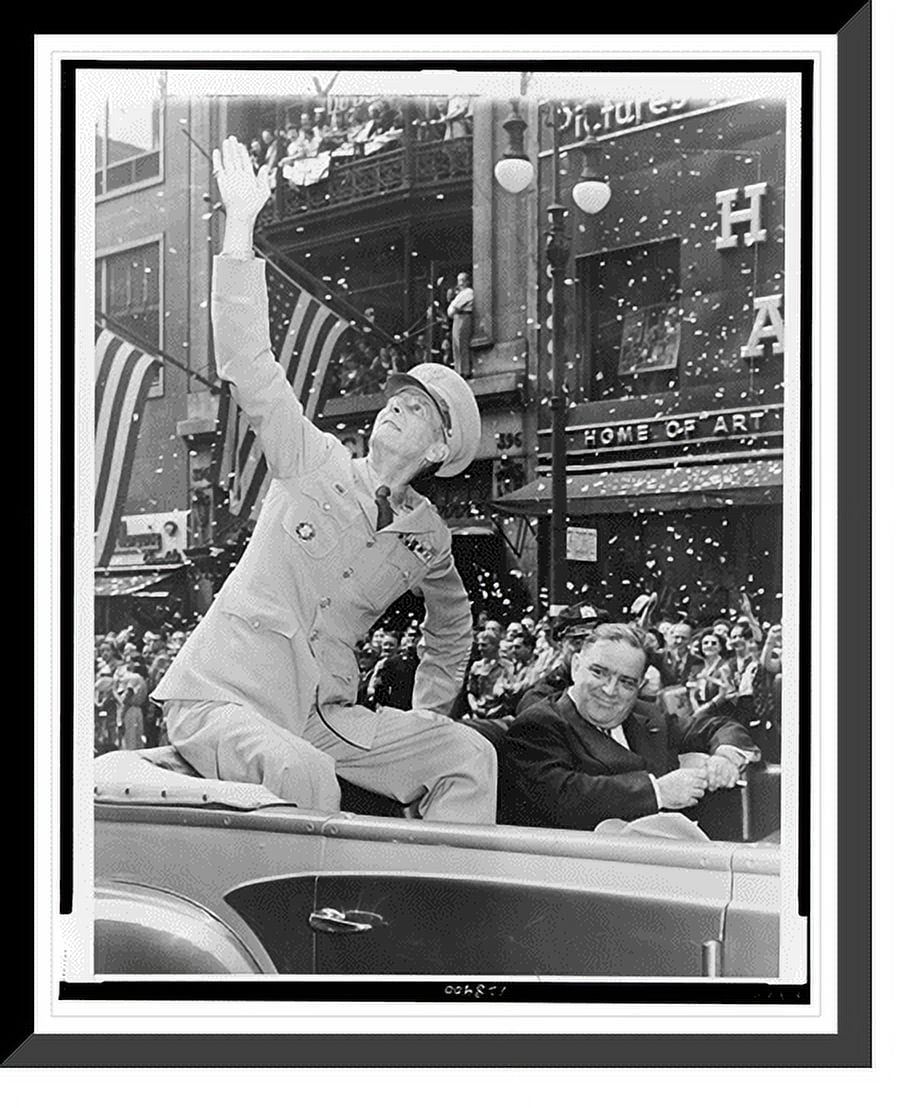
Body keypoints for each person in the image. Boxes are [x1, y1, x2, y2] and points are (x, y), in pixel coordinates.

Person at [151, 137, 494, 824]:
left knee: (468, 754)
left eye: (417, 410)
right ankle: (321, 927)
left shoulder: (427, 535)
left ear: (442, 447)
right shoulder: (312, 460)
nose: (395, 409)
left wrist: (427, 711)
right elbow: (250, 363)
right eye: (394, 401)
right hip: (223, 698)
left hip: (323, 716)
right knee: (298, 771)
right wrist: (240, 227)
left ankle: (436, 914)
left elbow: (452, 623)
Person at [498, 624, 760, 830]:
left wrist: (726, 757)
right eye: (599, 672)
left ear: (640, 685)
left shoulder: (646, 716)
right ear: (576, 666)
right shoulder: (538, 725)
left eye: (626, 682)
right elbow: (564, 797)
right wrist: (658, 792)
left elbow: (717, 726)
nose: (610, 691)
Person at [446, 272, 474, 379]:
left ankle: (464, 371)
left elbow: (454, 308)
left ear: (467, 281)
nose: (460, 283)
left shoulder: (468, 292)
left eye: (462, 280)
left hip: (463, 317)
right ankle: (458, 369)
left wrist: (453, 306)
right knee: (456, 345)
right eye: (459, 280)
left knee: (462, 344)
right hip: (457, 318)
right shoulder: (460, 294)